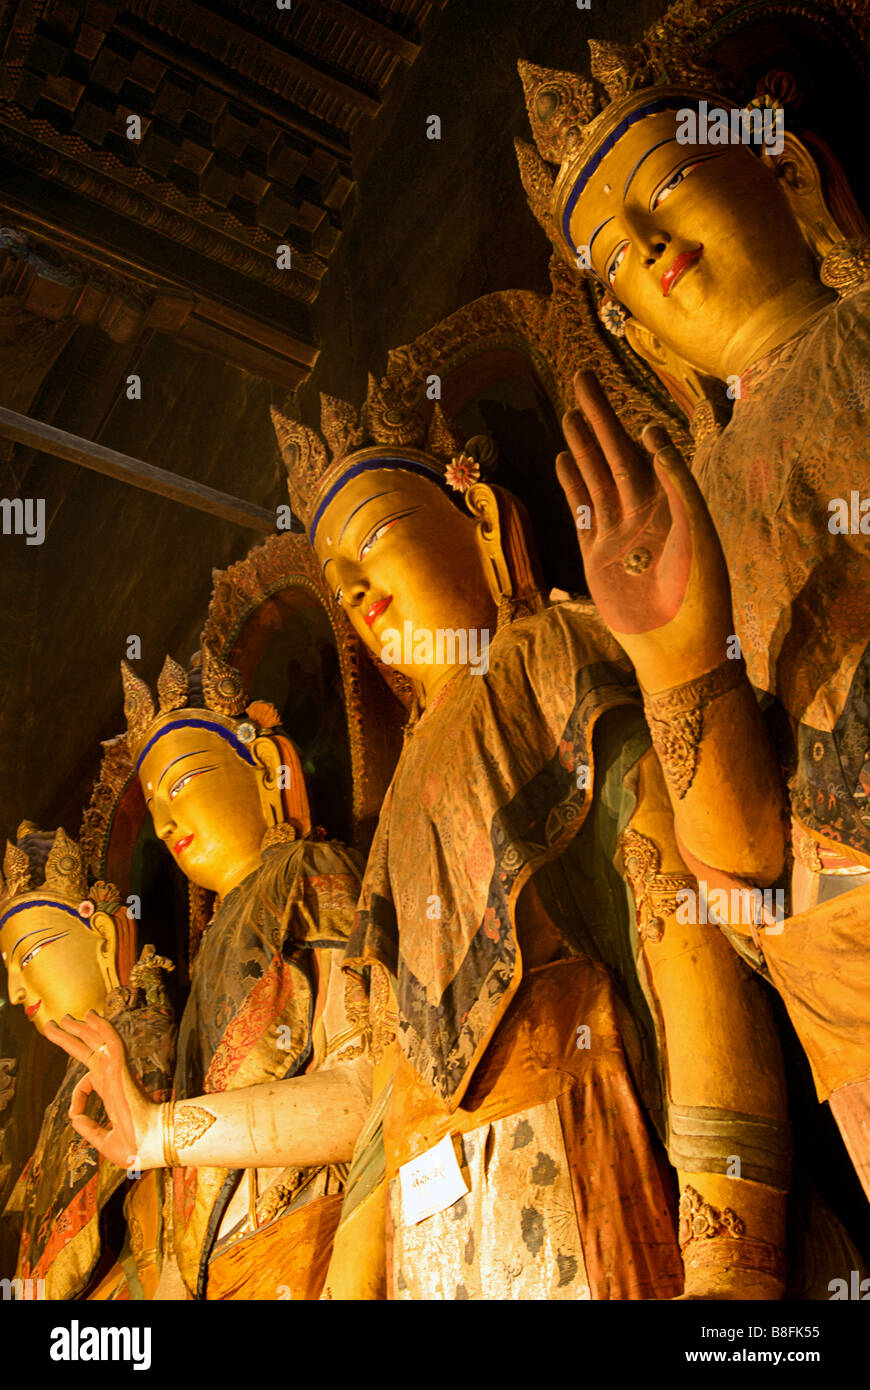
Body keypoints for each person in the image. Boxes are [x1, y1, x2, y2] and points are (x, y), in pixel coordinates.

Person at [269, 386, 792, 1300]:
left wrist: (728, 1258)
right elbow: (395, 1076)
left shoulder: (548, 658)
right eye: (335, 577)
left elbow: (673, 911)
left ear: (477, 518)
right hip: (436, 1215)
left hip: (582, 1149)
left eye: (376, 534)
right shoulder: (394, 807)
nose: (353, 587)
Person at [517, 40, 870, 1200]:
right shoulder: (691, 502)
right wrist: (677, 666)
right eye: (615, 258)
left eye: (664, 186)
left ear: (783, 168)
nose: (651, 251)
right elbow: (749, 887)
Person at [48, 650, 371, 1299]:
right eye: (154, 804)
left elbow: (366, 1091)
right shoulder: (204, 966)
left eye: (183, 781)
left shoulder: (310, 873)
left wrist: (160, 1133)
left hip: (308, 1246)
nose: (166, 822)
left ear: (264, 773)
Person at [0, 825, 174, 1299]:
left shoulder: (142, 1035)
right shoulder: (63, 1092)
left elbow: (153, 1185)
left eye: (29, 956)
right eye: (10, 971)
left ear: (101, 937)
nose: (16, 992)